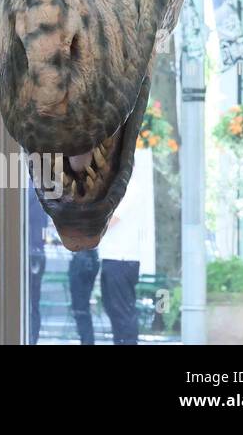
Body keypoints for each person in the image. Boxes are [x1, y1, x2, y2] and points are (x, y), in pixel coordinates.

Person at [98, 143, 151, 344]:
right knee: (114, 310)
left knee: (122, 312)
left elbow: (110, 221)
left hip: (122, 259)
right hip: (113, 258)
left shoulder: (130, 189)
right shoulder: (120, 189)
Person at [27, 186, 48, 344]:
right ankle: (31, 339)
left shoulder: (31, 189)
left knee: (31, 303)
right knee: (32, 303)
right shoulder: (40, 188)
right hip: (35, 251)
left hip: (31, 252)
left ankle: (31, 339)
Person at [67, 248, 100, 344]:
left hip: (83, 258)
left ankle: (87, 341)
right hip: (85, 257)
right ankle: (86, 340)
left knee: (80, 310)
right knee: (81, 309)